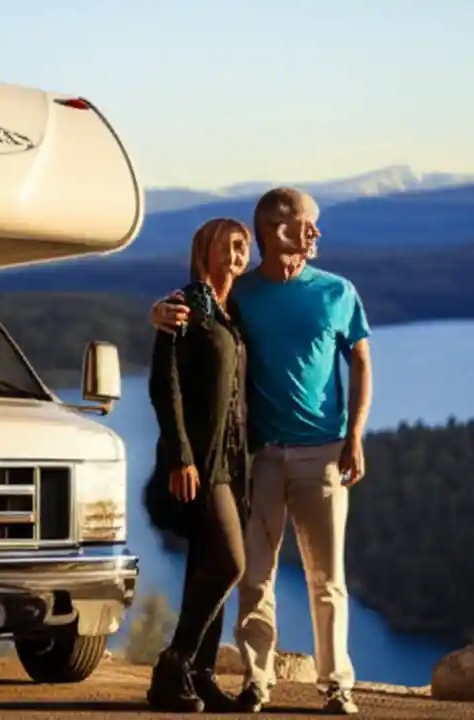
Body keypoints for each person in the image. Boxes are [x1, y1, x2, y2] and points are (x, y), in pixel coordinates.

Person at [149, 187, 373, 715]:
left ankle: (336, 685)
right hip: (259, 458)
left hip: (324, 452)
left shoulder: (338, 291)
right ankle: (255, 682)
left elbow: (362, 360)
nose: (316, 233)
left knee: (327, 581)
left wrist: (356, 435)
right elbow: (194, 316)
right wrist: (158, 311)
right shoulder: (241, 294)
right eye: (306, 224)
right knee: (253, 576)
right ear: (275, 230)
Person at [144, 218, 253, 713]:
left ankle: (200, 677)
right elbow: (163, 385)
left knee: (205, 565)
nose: (236, 254)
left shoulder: (232, 311)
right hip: (200, 460)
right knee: (230, 562)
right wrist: (181, 456)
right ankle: (175, 663)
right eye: (227, 246)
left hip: (232, 459)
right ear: (203, 251)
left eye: (242, 246)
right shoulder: (184, 306)